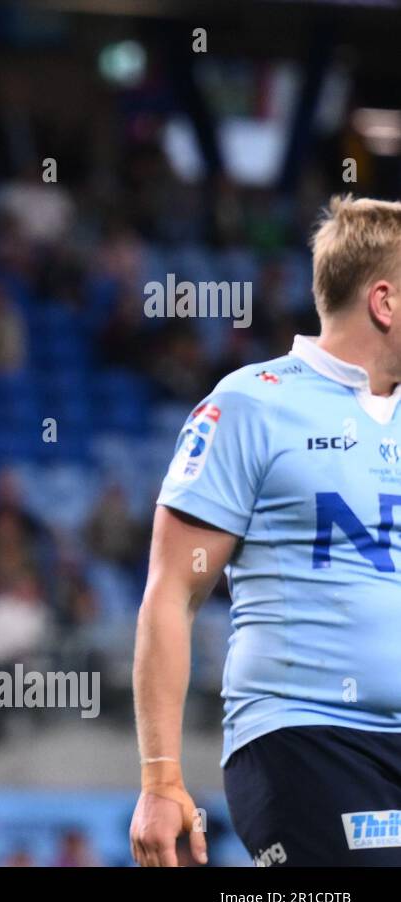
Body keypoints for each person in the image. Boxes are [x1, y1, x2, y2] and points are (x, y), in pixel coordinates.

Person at [131, 196, 401, 867]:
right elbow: (172, 593)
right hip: (306, 742)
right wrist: (161, 778)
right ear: (385, 303)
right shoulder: (251, 406)